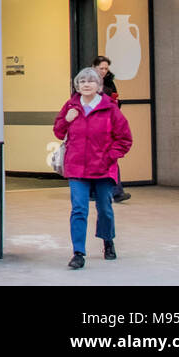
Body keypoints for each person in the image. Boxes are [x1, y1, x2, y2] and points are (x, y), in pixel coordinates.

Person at [54, 67, 132, 269]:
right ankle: (78, 253)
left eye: (90, 81)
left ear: (99, 86)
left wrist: (110, 156)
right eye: (82, 82)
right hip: (77, 168)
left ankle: (108, 240)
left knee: (105, 208)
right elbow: (58, 131)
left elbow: (124, 139)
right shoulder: (71, 106)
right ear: (77, 86)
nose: (86, 85)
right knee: (79, 208)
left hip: (102, 168)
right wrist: (67, 119)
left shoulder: (110, 108)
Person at [93, 55, 130, 202]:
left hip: (108, 124)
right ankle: (99, 190)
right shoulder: (87, 81)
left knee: (111, 158)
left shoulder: (109, 82)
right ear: (94, 67)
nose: (103, 71)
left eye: (106, 69)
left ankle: (116, 191)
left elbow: (115, 103)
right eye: (101, 68)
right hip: (95, 126)